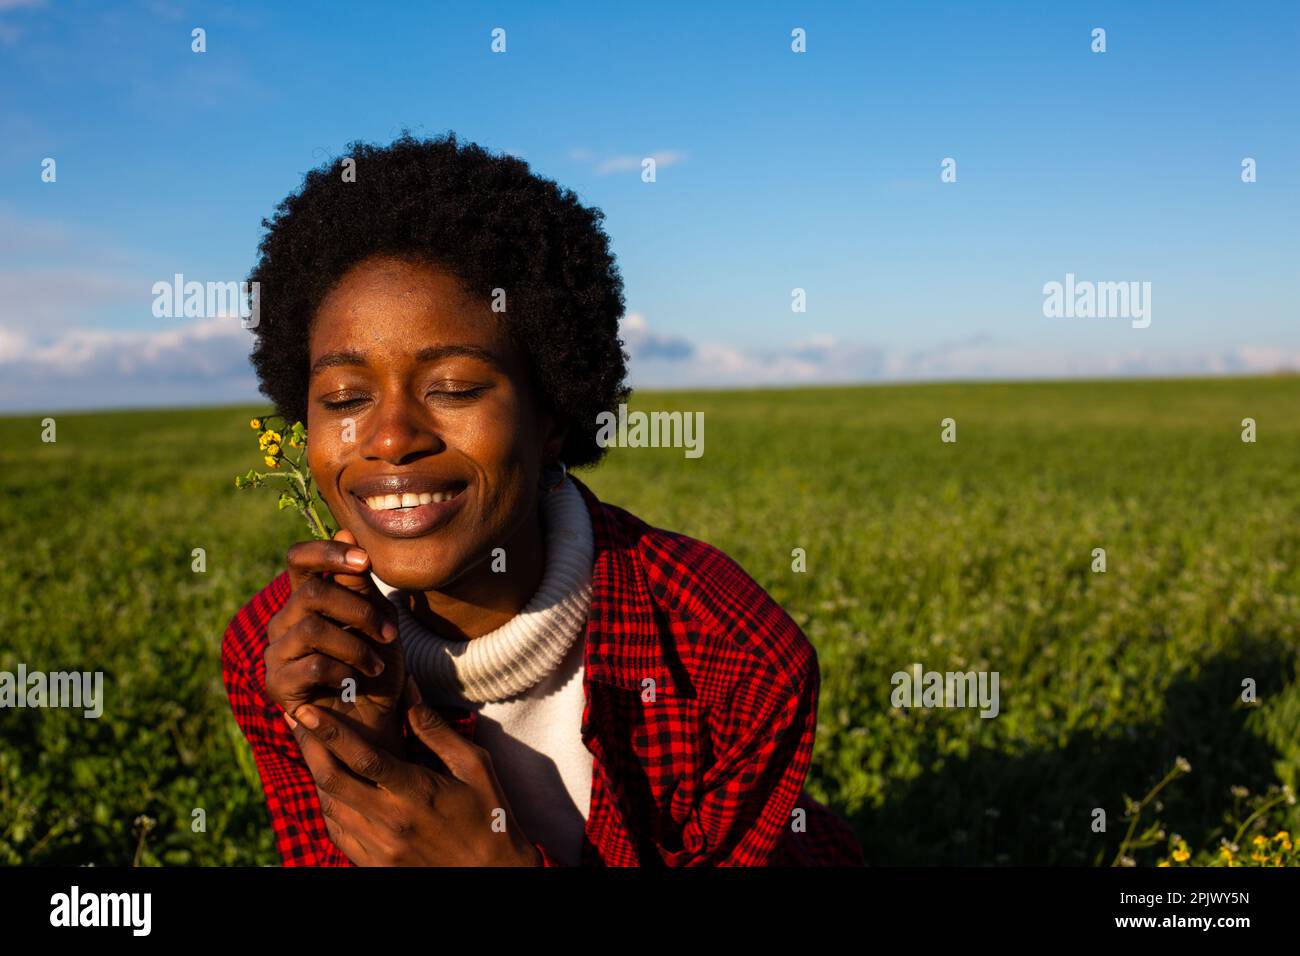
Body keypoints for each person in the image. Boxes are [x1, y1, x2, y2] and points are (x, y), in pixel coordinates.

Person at [221, 131, 864, 866]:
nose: (390, 438)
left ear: (551, 413)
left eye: (454, 388)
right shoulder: (282, 658)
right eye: (344, 397)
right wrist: (359, 750)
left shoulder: (728, 656)